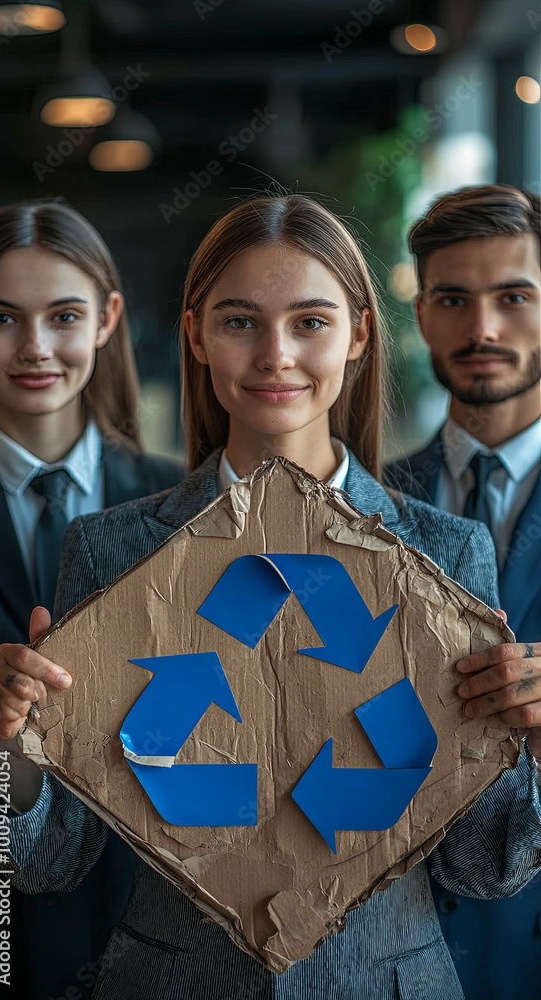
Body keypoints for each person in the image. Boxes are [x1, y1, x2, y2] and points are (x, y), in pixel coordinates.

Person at [0, 193, 541, 1000]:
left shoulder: (448, 552)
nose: (275, 354)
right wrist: (16, 748)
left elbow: (485, 866)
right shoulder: (112, 550)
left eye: (310, 322)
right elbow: (44, 859)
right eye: (240, 321)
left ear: (358, 335)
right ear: (196, 335)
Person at [0, 198, 185, 999]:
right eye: (0, 318)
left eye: (62, 316)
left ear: (107, 320)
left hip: (145, 915)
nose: (35, 348)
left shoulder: (185, 505)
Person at [385, 184, 541, 1000]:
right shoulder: (357, 504)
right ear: (422, 315)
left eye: (514, 297)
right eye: (453, 299)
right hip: (397, 944)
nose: (482, 330)